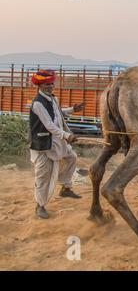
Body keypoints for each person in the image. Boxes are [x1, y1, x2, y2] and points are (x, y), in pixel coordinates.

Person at [30, 69, 85, 219]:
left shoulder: (53, 99)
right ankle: (40, 206)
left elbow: (58, 114)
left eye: (52, 83)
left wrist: (73, 109)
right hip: (44, 145)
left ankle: (65, 187)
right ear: (40, 86)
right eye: (47, 84)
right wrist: (67, 135)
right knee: (43, 177)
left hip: (58, 142)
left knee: (71, 157)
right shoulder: (37, 104)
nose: (50, 86)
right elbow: (49, 125)